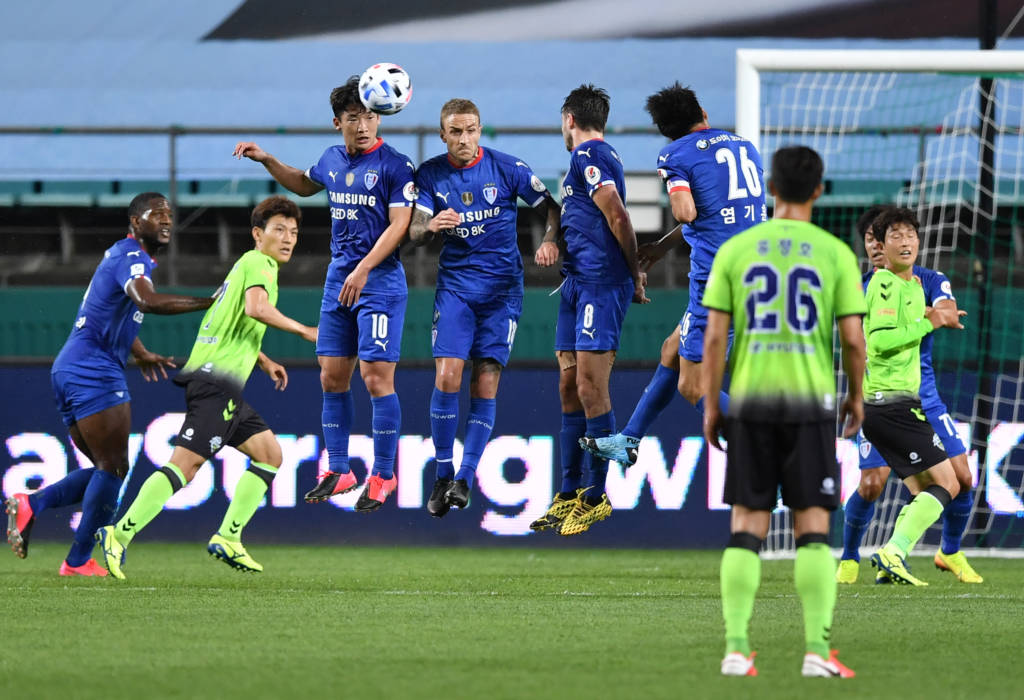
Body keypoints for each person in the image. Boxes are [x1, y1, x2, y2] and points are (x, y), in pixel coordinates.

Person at [702, 146, 865, 678]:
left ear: (770, 188)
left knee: (746, 525)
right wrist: (855, 396)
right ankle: (816, 652)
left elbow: (715, 338)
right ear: (819, 190)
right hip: (810, 403)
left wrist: (711, 404)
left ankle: (734, 647)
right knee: (813, 529)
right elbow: (853, 342)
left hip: (748, 401)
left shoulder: (738, 249)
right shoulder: (836, 253)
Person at [95, 196, 317, 579]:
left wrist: (263, 360)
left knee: (269, 454)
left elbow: (230, 315)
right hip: (216, 383)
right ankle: (119, 533)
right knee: (186, 466)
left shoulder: (243, 267)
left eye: (293, 232)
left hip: (219, 381)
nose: (288, 239)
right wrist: (304, 330)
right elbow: (257, 309)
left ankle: (229, 537)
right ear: (257, 234)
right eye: (278, 230)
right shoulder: (258, 263)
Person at [233, 76, 416, 512]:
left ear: (380, 117)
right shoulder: (332, 160)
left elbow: (400, 224)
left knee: (375, 378)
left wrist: (365, 268)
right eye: (354, 117)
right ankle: (339, 469)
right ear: (338, 122)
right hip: (340, 277)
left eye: (370, 116)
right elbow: (302, 183)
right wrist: (267, 160)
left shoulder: (396, 165)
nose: (363, 125)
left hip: (380, 280)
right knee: (331, 376)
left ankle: (385, 474)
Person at [4, 193, 213, 576]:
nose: (166, 221)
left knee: (108, 469)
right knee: (114, 468)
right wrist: (209, 302)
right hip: (94, 371)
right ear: (136, 222)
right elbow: (146, 301)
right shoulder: (131, 256)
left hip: (72, 367)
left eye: (170, 215)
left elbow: (109, 309)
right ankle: (77, 559)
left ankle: (34, 506)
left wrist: (140, 350)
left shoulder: (126, 257)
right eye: (157, 215)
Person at [581, 83, 765, 467]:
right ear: (703, 113)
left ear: (666, 130)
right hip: (757, 269)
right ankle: (629, 440)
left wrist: (677, 199)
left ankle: (769, 459)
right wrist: (663, 247)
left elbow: (686, 211)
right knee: (672, 347)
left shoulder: (675, 154)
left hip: (719, 281)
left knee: (693, 386)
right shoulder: (744, 146)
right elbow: (720, 210)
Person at [409, 98, 560, 516]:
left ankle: (464, 479)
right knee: (448, 374)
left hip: (502, 292)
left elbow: (550, 207)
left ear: (480, 130)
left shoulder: (508, 168)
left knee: (486, 384)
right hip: (457, 288)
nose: (463, 138)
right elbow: (415, 228)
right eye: (455, 132)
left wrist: (550, 239)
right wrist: (430, 226)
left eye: (471, 129)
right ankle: (442, 473)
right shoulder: (431, 176)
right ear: (443, 135)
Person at [528, 84, 648, 537]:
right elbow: (570, 211)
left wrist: (634, 272)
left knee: (591, 386)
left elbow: (618, 216)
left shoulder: (591, 156)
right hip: (576, 283)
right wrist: (553, 238)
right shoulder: (582, 163)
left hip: (600, 285)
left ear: (568, 119)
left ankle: (596, 496)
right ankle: (567, 493)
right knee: (568, 387)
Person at [837, 208, 982, 584]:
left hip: (922, 396)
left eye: (907, 236)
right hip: (887, 397)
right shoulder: (874, 285)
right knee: (874, 484)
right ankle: (856, 557)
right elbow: (874, 340)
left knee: (954, 480)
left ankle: (940, 552)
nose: (882, 246)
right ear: (873, 244)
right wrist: (931, 318)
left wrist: (940, 311)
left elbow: (948, 307)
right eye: (875, 239)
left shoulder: (923, 281)